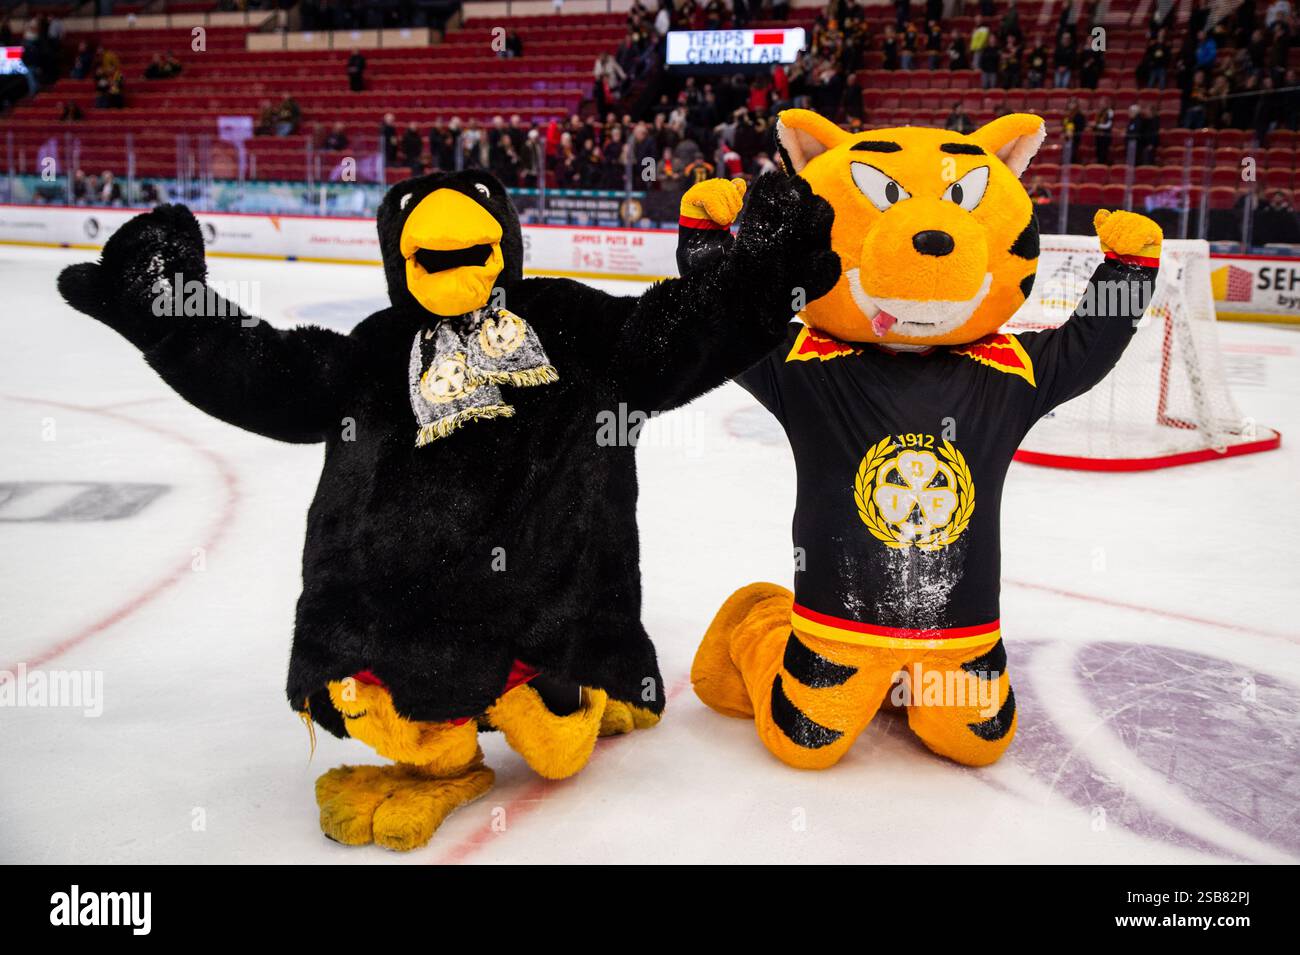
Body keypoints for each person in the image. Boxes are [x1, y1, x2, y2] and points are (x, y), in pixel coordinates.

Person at [1094, 96, 1114, 164]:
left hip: (1105, 136)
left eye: (1102, 103)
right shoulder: (1100, 112)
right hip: (1099, 135)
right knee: (1098, 152)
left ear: (1106, 103)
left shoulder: (1110, 111)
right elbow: (1097, 123)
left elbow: (1109, 125)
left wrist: (1097, 125)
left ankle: (1103, 166)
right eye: (1100, 103)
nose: (1100, 104)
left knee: (1104, 153)